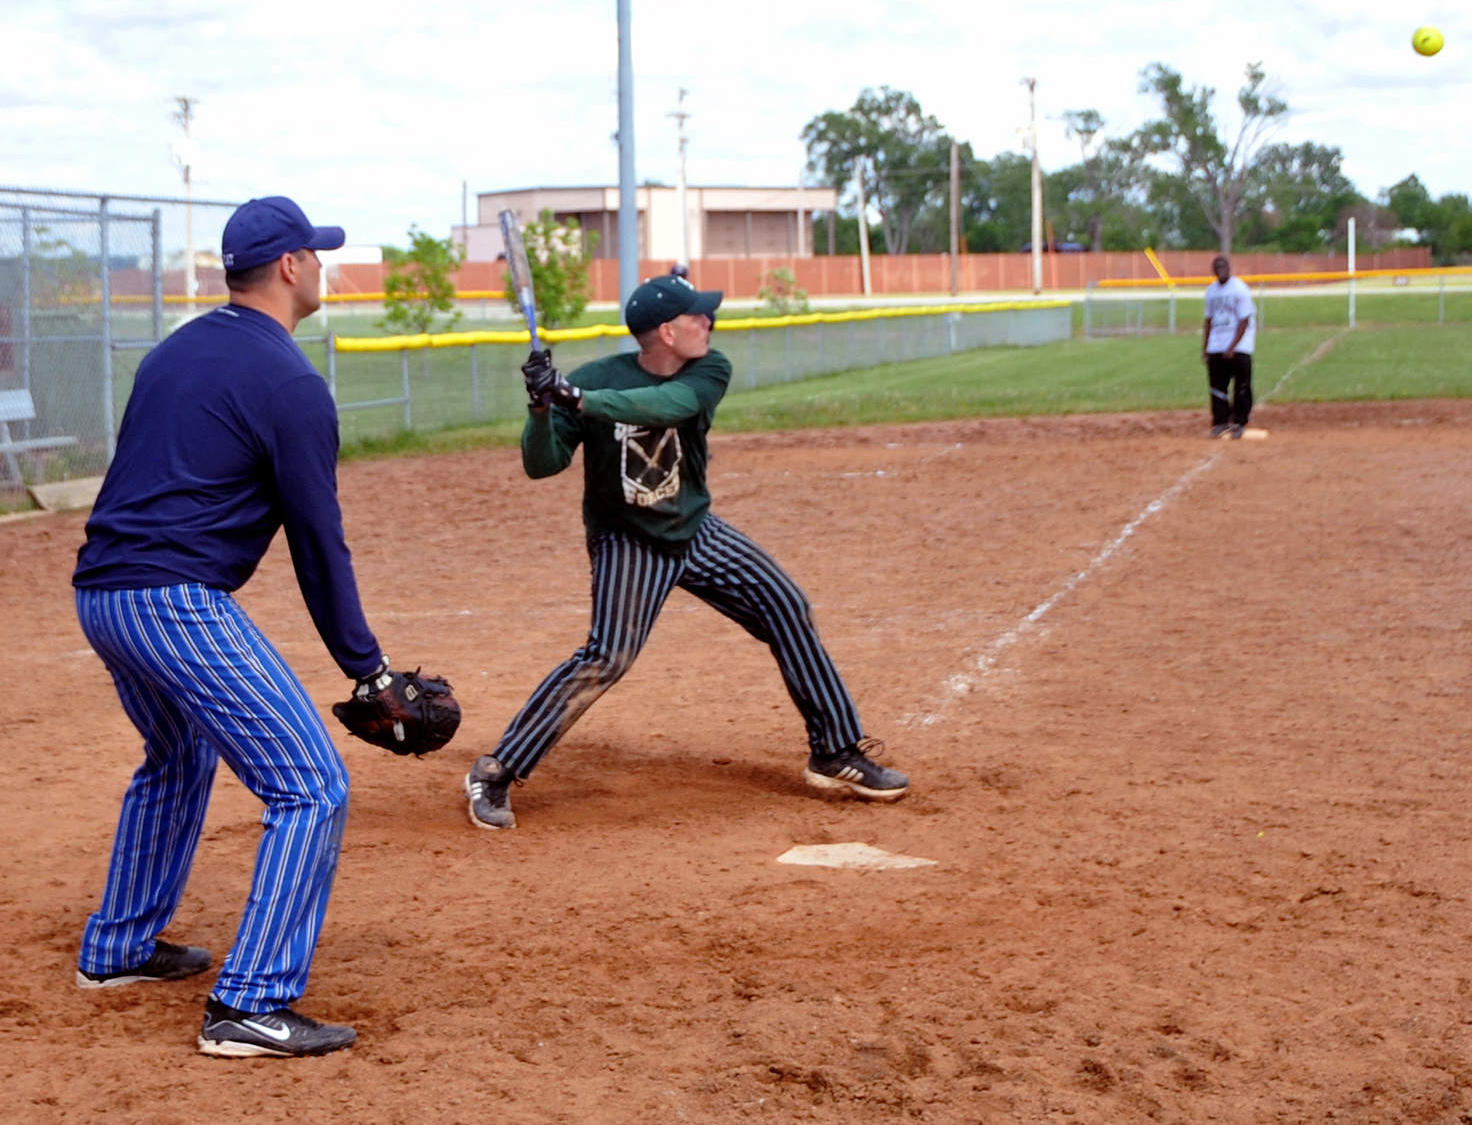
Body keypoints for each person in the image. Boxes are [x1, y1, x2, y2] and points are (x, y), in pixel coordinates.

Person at [73, 196, 395, 1058]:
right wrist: (368, 668)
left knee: (178, 754)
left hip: (102, 593)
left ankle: (120, 948)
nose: (322, 268)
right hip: (173, 600)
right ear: (289, 267)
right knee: (311, 786)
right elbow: (317, 543)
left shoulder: (174, 352)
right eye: (316, 256)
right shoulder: (289, 383)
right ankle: (251, 1003)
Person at [463, 274, 908, 830]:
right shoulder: (597, 377)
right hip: (627, 538)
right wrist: (539, 408)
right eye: (698, 316)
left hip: (695, 529)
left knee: (786, 606)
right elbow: (542, 463)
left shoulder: (707, 369)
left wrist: (578, 397)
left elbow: (665, 406)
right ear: (667, 331)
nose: (709, 322)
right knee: (607, 658)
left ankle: (836, 751)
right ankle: (497, 770)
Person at [1202, 255, 1257, 438]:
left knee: (1241, 385)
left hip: (1240, 345)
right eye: (1216, 267)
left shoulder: (1239, 289)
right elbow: (1208, 320)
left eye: (1223, 266)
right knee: (1217, 387)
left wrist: (1232, 347)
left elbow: (1244, 320)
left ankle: (1239, 421)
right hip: (1216, 345)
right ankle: (1220, 422)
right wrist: (1205, 348)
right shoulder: (1211, 291)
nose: (1220, 270)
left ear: (1229, 268)